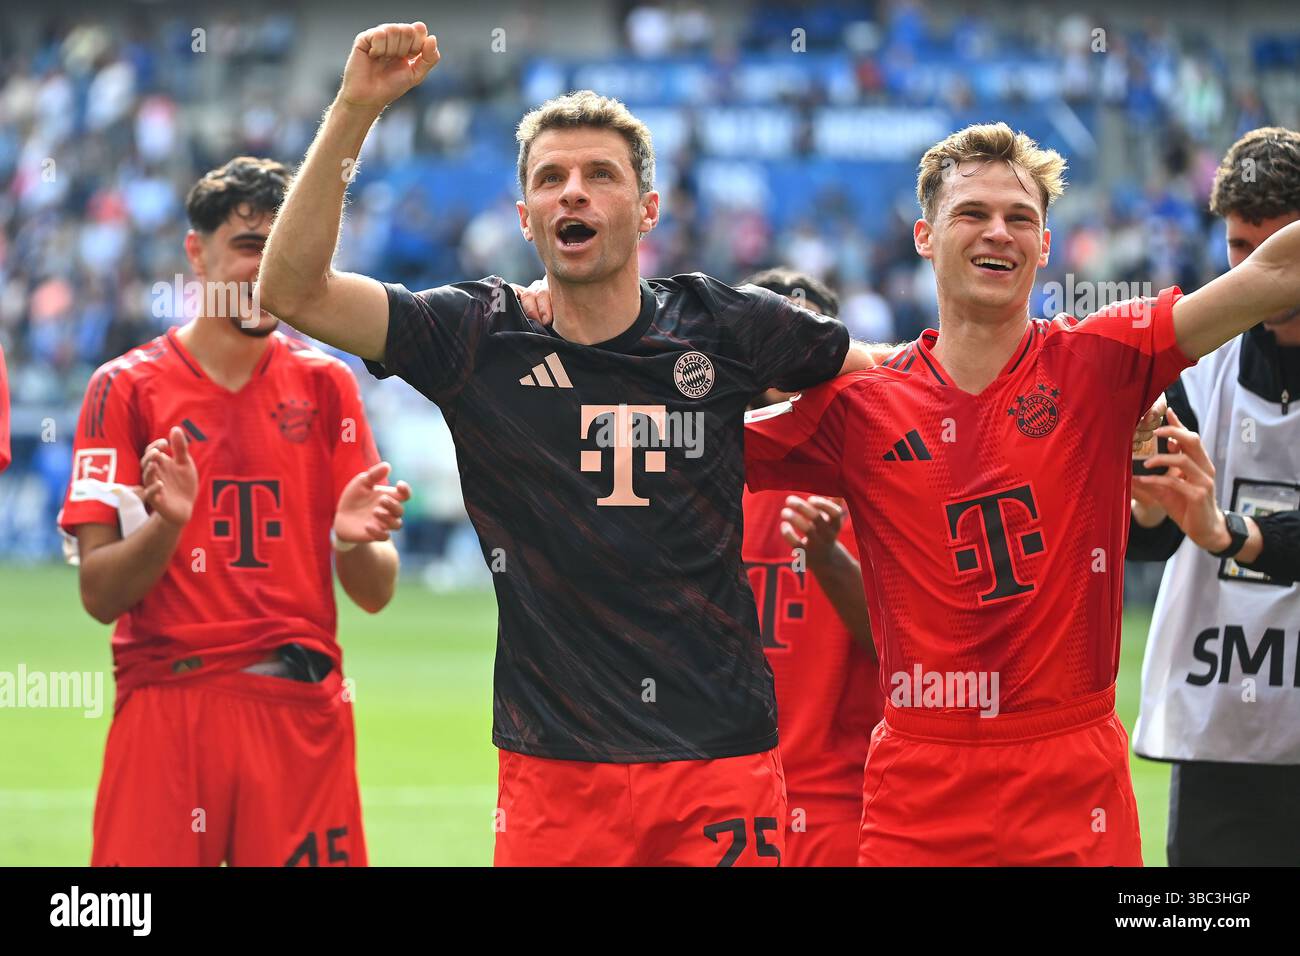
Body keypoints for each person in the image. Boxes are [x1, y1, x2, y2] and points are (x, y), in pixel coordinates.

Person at [258, 21, 876, 867]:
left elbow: (892, 377)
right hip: (554, 768)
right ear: (525, 216)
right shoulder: (473, 334)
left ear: (648, 209)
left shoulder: (724, 325)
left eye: (599, 176)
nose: (572, 193)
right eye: (550, 179)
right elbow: (292, 290)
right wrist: (357, 108)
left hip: (718, 757)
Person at [743, 122, 1300, 865]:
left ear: (1044, 247)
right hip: (919, 783)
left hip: (1072, 782)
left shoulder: (1103, 359)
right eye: (972, 213)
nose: (997, 232)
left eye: (1021, 219)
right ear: (923, 234)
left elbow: (1276, 274)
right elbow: (691, 440)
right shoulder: (861, 404)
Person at [58, 157, 409, 867]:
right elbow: (99, 595)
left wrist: (350, 545)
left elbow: (374, 592)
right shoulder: (124, 389)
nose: (267, 270)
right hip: (169, 708)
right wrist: (165, 526)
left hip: (301, 710)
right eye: (251, 247)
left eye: (284, 251)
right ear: (197, 251)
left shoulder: (328, 385)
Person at [1128, 126, 1300, 866]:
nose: (1255, 271)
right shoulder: (1195, 369)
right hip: (1220, 719)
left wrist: (1230, 531)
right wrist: (1142, 495)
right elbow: (1154, 536)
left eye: (1274, 249)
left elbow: (1219, 531)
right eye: (1239, 248)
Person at [739, 268, 882, 867]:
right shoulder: (703, 478)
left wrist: (827, 557)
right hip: (726, 798)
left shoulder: (876, 483)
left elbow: (899, 646)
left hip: (839, 806)